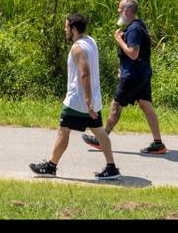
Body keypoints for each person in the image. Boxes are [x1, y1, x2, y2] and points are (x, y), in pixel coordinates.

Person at [29, 13, 119, 180]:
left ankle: (51, 166)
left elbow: (84, 73)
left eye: (66, 27)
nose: (65, 30)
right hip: (93, 100)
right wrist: (91, 101)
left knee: (63, 131)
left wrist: (87, 101)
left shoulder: (77, 48)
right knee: (99, 131)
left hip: (78, 101)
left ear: (74, 29)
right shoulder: (90, 41)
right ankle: (111, 167)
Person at [84, 0, 167, 155]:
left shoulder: (134, 29)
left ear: (128, 11)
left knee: (116, 105)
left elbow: (133, 53)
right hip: (143, 74)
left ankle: (102, 139)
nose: (118, 11)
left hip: (133, 76)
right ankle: (158, 144)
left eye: (120, 9)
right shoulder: (139, 24)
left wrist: (118, 39)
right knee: (146, 106)